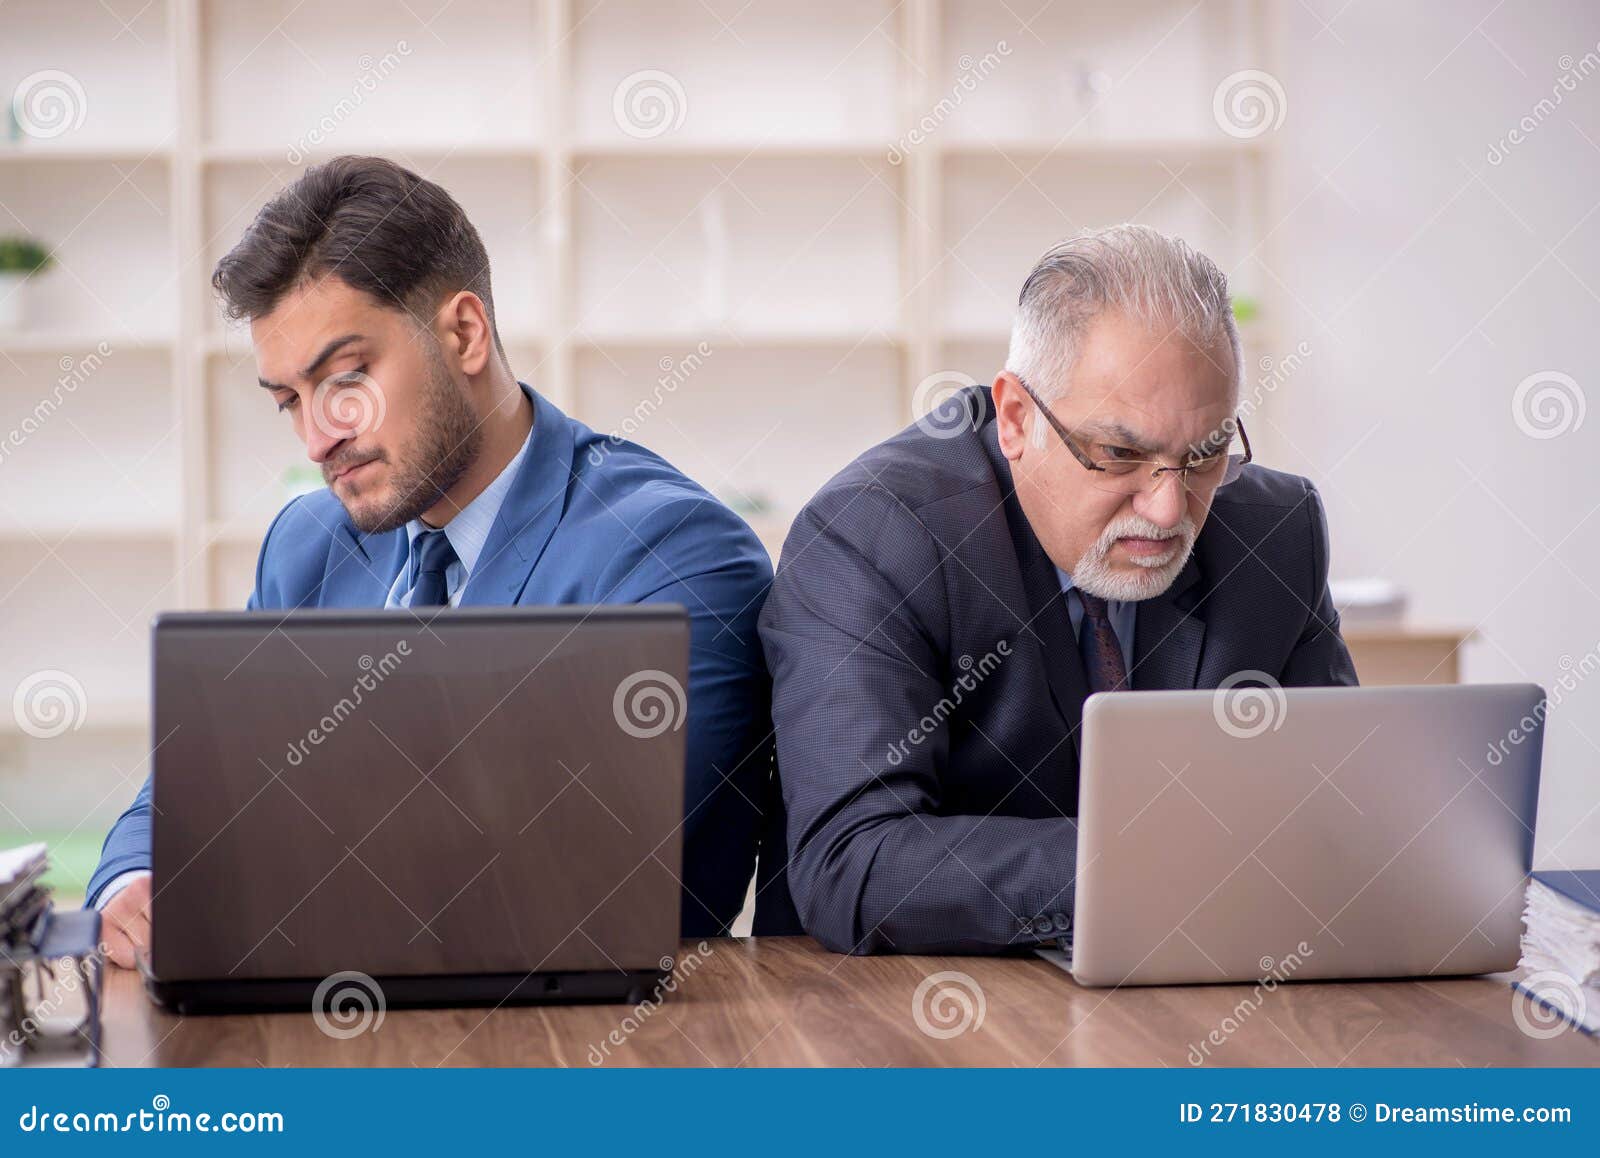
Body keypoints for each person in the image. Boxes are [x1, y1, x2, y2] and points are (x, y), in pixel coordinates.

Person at [88, 155, 794, 967]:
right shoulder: (310, 545)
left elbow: (576, 879)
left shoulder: (673, 560)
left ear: (463, 333)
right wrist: (134, 879)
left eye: (345, 379)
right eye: (288, 400)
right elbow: (197, 789)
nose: (317, 438)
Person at [759, 224, 1357, 955]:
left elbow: (1333, 816)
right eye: (1119, 453)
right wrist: (1158, 866)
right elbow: (856, 863)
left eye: (1205, 454)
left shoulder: (1276, 533)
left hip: (1207, 989)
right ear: (1015, 418)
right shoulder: (872, 535)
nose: (1169, 510)